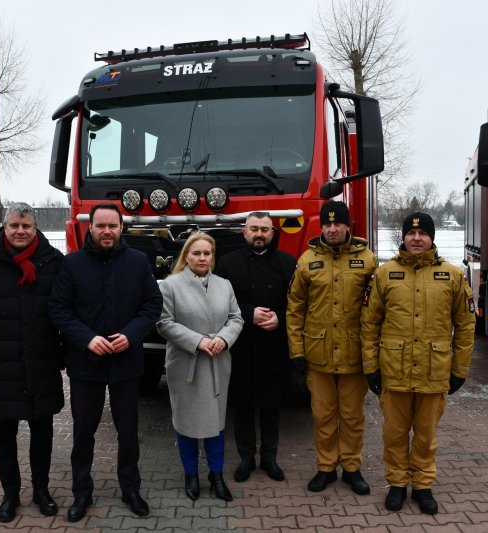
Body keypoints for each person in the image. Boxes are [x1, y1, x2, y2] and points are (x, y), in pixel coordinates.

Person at [48, 203, 162, 521]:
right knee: (84, 432)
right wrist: (86, 338)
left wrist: (132, 334)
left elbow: (152, 304)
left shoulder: (138, 262)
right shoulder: (72, 265)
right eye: (101, 226)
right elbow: (59, 308)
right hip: (86, 363)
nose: (107, 231)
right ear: (91, 228)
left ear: (122, 227)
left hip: (127, 363)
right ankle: (81, 493)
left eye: (112, 225)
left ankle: (131, 489)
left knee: (128, 431)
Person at [361, 212, 475, 515]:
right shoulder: (385, 274)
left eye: (423, 233)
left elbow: (465, 326)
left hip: (433, 372)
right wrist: (371, 367)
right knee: (394, 434)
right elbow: (369, 324)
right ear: (403, 237)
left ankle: (423, 485)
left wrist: (459, 370)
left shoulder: (452, 276)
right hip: (393, 372)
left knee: (426, 436)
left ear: (431, 238)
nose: (416, 238)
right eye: (411, 234)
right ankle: (397, 483)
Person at [0, 202, 64, 523]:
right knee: (5, 433)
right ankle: (11, 494)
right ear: (4, 227)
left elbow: (65, 310)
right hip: (1, 365)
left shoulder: (53, 262)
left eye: (27, 226)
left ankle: (42, 490)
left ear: (36, 228)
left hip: (41, 362)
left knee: (42, 431)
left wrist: (62, 354)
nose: (21, 231)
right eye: (14, 225)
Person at [286, 201, 376, 495]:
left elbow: (378, 311)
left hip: (354, 355)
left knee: (352, 416)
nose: (333, 229)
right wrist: (297, 351)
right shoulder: (307, 261)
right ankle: (326, 467)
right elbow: (295, 309)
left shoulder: (367, 261)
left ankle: (352, 468)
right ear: (321, 227)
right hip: (318, 354)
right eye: (327, 224)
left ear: (349, 226)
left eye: (338, 224)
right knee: (323, 415)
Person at [157, 233, 244, 501]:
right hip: (187, 364)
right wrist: (198, 342)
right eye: (197, 253)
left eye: (207, 253)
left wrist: (222, 339)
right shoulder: (170, 286)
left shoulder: (224, 285)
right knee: (187, 423)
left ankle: (216, 474)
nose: (203, 258)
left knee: (216, 424)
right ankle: (191, 475)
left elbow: (236, 318)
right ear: (186, 256)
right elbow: (164, 323)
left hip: (218, 362)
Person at [215, 212, 296, 483]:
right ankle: (246, 458)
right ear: (244, 232)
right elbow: (218, 304)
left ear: (273, 233)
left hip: (274, 345)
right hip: (241, 345)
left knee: (272, 406)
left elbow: (298, 305)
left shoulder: (288, 263)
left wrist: (280, 318)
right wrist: (249, 313)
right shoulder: (226, 264)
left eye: (264, 229)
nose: (259, 234)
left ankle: (270, 458)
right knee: (243, 405)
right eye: (254, 229)